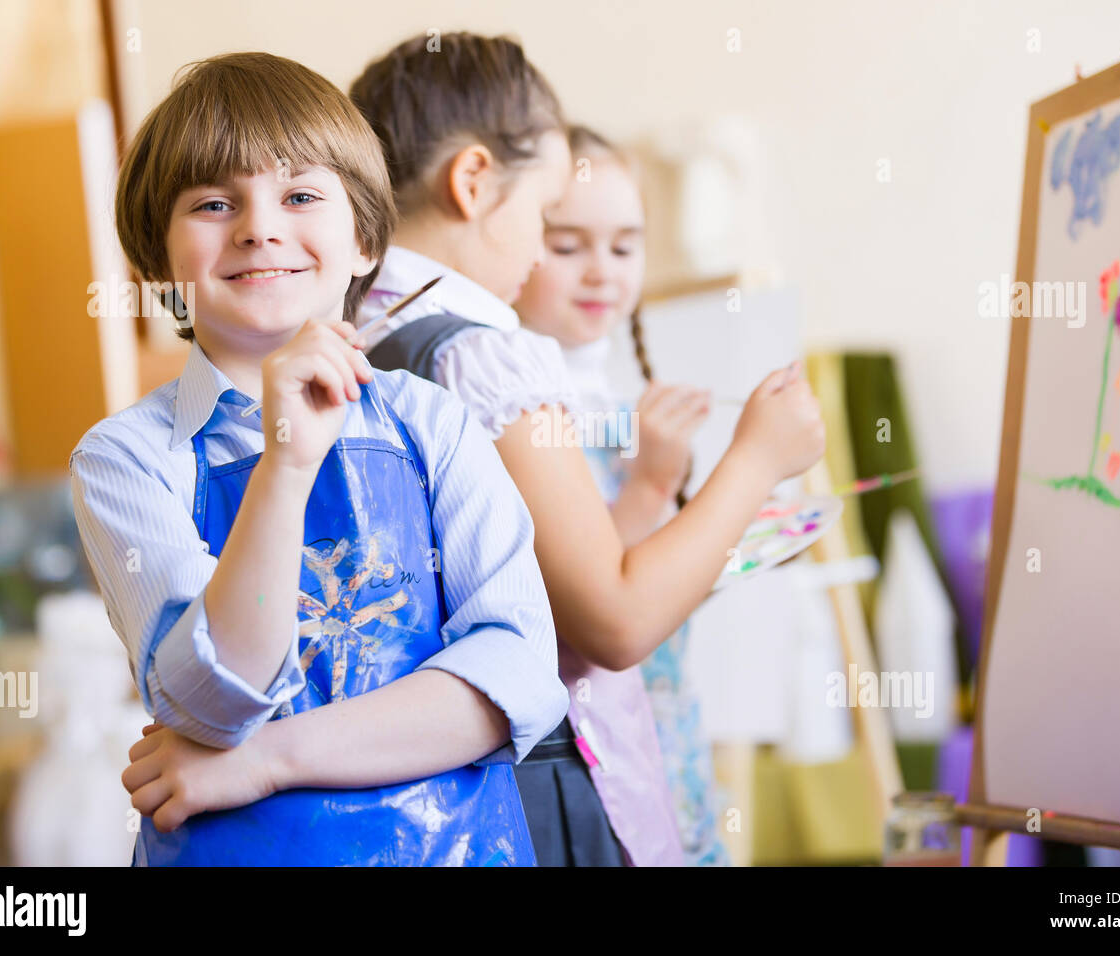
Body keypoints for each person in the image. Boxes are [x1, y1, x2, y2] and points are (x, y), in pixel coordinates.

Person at [70, 51, 566, 866]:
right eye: (213, 201)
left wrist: (267, 761)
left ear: (366, 238)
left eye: (300, 195)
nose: (260, 227)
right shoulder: (125, 458)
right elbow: (208, 702)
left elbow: (515, 677)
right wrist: (287, 467)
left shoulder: (432, 422)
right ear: (157, 261)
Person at [347, 33, 827, 866]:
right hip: (532, 795)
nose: (540, 252)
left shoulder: (351, 334)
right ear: (473, 183)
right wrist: (755, 458)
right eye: (545, 222)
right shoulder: (484, 356)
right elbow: (614, 620)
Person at [514, 124, 732, 866]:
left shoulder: (620, 404)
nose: (602, 272)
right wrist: (653, 485)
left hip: (667, 737)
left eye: (625, 245)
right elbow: (585, 611)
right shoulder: (515, 414)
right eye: (569, 246)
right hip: (587, 763)